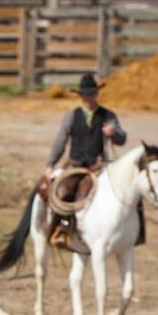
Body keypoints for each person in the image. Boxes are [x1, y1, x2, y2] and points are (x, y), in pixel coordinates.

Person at [42, 73, 131, 248]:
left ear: (97, 94)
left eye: (92, 94)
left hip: (98, 166)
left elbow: (122, 139)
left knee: (123, 193)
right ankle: (60, 230)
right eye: (86, 94)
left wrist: (114, 134)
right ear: (80, 95)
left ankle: (129, 231)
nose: (89, 97)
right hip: (75, 165)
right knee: (64, 192)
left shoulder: (108, 116)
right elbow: (60, 141)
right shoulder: (71, 116)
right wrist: (50, 164)